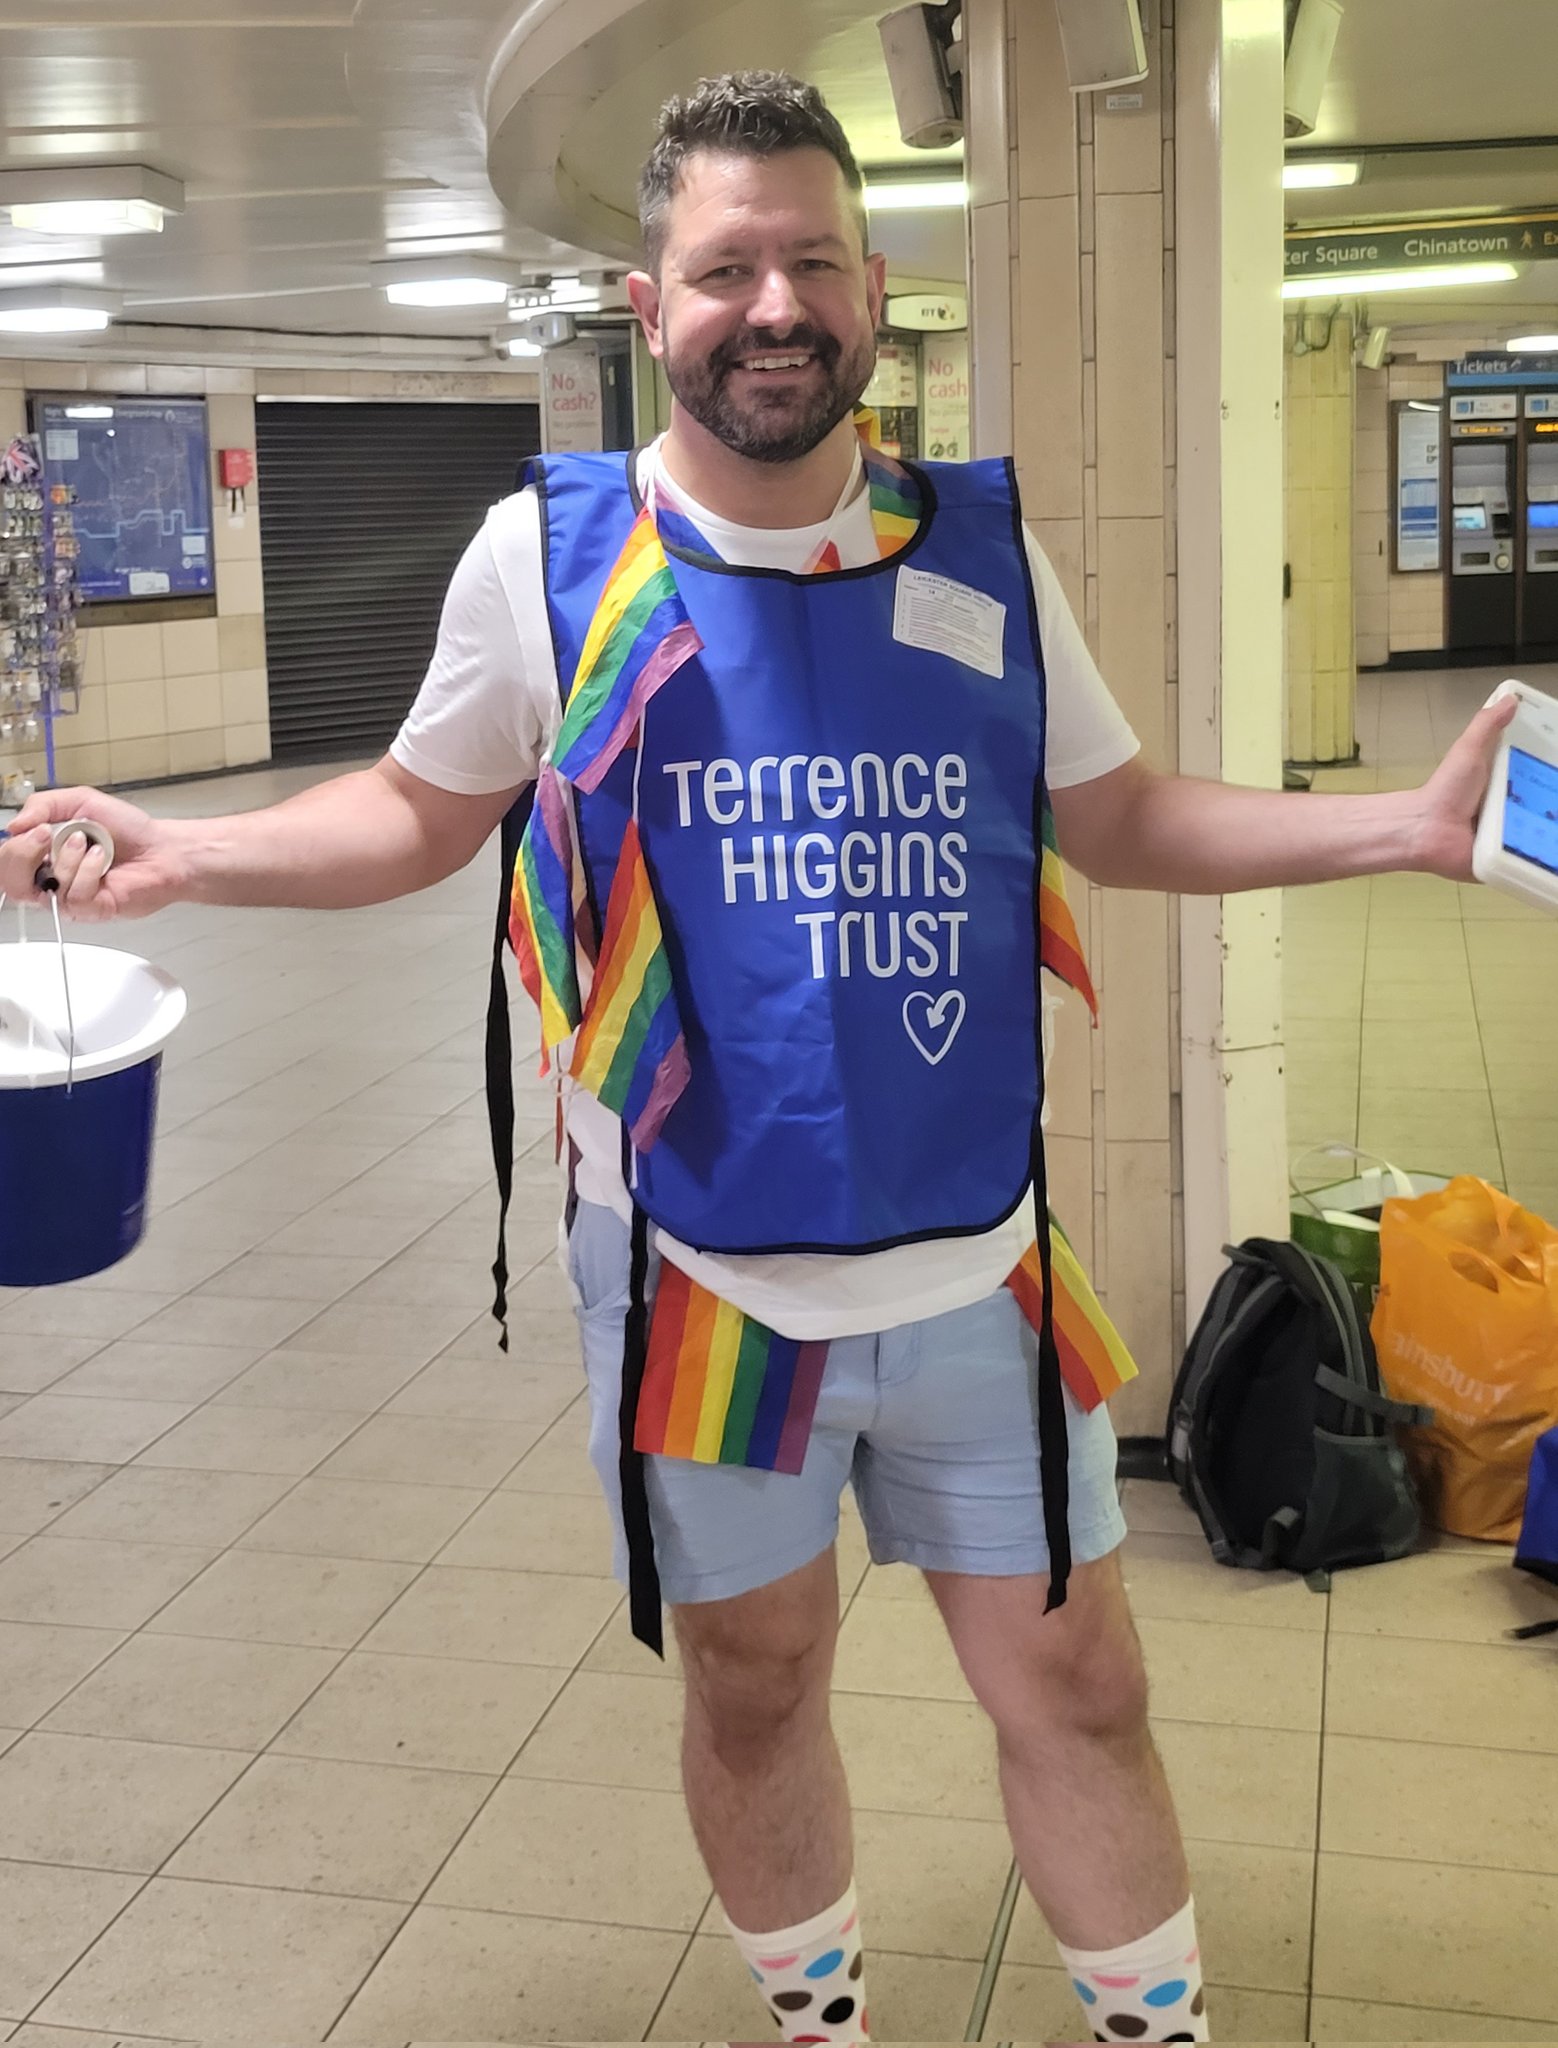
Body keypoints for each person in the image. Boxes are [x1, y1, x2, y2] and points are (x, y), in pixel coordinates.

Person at [0, 70, 1513, 2048]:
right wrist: (193, 849)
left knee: (1080, 1688)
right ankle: (819, 2026)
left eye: (809, 259)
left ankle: (1156, 2031)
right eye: (725, 268)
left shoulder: (979, 555)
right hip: (689, 1281)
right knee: (751, 1682)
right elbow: (417, 809)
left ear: (873, 290)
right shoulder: (547, 564)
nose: (771, 302)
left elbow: (1117, 813)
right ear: (651, 307)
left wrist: (1392, 826)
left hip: (979, 1266)